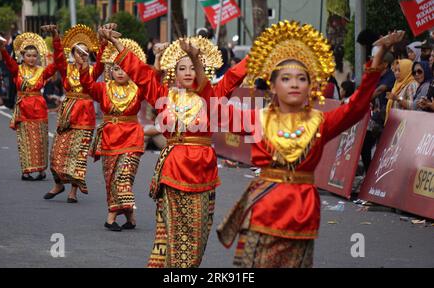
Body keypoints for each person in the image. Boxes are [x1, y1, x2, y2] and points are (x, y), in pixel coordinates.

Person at [215, 21, 405, 268]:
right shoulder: (257, 120)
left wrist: (376, 55)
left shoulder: (320, 122)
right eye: (286, 78)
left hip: (301, 215)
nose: (294, 84)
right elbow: (216, 108)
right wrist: (246, 62)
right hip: (264, 209)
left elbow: (356, 108)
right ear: (273, 86)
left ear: (311, 86)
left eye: (301, 78)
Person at [99, 23, 248, 267]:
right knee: (176, 235)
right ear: (174, 73)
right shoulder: (164, 97)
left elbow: (233, 77)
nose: (188, 72)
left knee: (196, 239)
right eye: (182, 68)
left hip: (203, 175)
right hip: (172, 172)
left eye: (193, 67)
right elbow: (141, 75)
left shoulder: (212, 95)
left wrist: (261, 52)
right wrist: (117, 44)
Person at [80, 37, 148, 231]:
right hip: (109, 138)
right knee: (111, 178)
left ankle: (111, 216)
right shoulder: (103, 88)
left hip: (132, 138)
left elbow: (151, 77)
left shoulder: (138, 88)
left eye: (125, 69)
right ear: (110, 70)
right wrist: (85, 66)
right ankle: (130, 216)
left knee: (124, 177)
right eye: (116, 68)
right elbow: (87, 85)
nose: (120, 73)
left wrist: (158, 57)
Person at [43, 24, 104, 203]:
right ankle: (58, 184)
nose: (82, 55)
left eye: (86, 52)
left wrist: (103, 40)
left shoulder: (93, 71)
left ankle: (73, 192)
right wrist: (55, 35)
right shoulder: (67, 69)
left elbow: (101, 60)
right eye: (79, 52)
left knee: (78, 156)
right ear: (73, 53)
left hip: (85, 117)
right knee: (56, 154)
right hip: (67, 115)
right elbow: (58, 57)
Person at [0, 30, 62, 181]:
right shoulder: (17, 70)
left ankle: (40, 171)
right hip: (23, 110)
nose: (32, 59)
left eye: (34, 56)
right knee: (25, 140)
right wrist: (2, 47)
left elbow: (58, 64)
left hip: (39, 110)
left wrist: (56, 41)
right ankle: (26, 171)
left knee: (40, 141)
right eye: (28, 55)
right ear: (22, 56)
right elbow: (7, 59)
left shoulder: (42, 71)